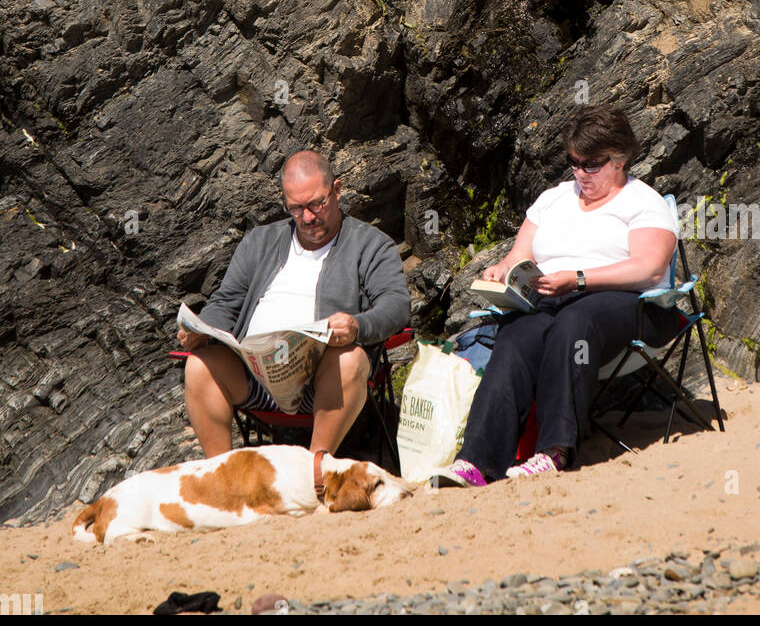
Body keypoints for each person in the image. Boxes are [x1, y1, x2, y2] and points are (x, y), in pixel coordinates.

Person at [433, 106, 680, 486]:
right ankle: (477, 462)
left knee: (575, 324)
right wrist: (503, 271)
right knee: (515, 338)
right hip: (553, 296)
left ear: (620, 159)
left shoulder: (642, 202)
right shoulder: (554, 198)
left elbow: (648, 268)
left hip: (628, 302)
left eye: (591, 164)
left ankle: (554, 452)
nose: (581, 173)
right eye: (574, 162)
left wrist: (579, 279)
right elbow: (520, 255)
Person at [178, 150, 410, 458]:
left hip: (325, 380)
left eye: (317, 203)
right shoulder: (260, 241)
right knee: (199, 364)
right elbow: (226, 303)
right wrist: (203, 329)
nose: (309, 217)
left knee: (349, 359)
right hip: (255, 377)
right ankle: (223, 481)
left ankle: (316, 472)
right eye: (297, 208)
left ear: (337, 190)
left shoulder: (370, 244)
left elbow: (396, 305)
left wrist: (357, 326)